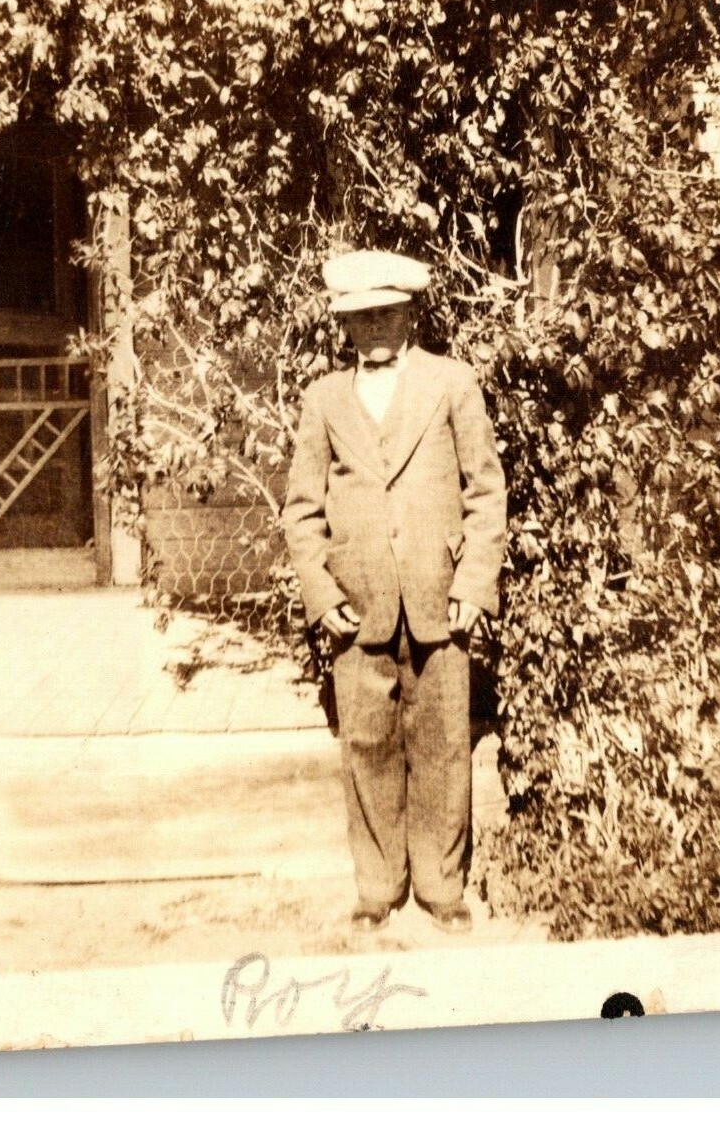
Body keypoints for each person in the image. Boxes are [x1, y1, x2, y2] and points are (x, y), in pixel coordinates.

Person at [281, 249, 507, 934]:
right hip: (358, 601)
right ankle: (377, 889)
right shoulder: (323, 399)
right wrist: (322, 593)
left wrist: (475, 583)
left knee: (442, 743)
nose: (374, 327)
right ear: (343, 326)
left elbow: (486, 491)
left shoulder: (451, 383)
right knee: (368, 744)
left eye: (385, 312)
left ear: (410, 313)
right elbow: (301, 508)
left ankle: (442, 888)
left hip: (441, 595)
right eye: (359, 317)